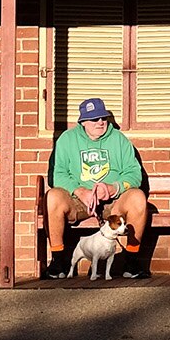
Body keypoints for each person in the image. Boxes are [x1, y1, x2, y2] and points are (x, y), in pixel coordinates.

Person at [44, 97, 150, 278]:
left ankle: (131, 261)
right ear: (83, 122)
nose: (100, 122)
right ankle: (58, 261)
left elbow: (134, 173)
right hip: (79, 201)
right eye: (94, 119)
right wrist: (79, 191)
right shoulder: (67, 139)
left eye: (103, 117)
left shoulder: (119, 139)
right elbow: (57, 174)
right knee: (52, 196)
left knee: (138, 197)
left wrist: (113, 188)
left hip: (113, 202)